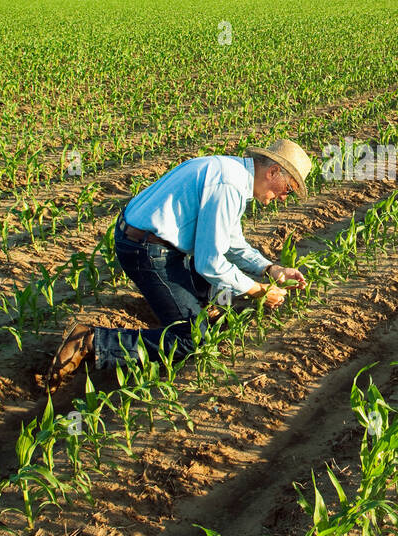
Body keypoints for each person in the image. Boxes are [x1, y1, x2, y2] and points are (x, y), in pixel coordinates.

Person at [42, 139, 312, 392]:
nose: (284, 197)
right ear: (273, 171)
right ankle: (90, 342)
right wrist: (258, 290)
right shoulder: (228, 184)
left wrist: (270, 269)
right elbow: (211, 262)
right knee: (194, 339)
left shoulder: (231, 172)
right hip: (147, 251)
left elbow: (230, 240)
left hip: (149, 240)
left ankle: (198, 308)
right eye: (288, 189)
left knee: (220, 294)